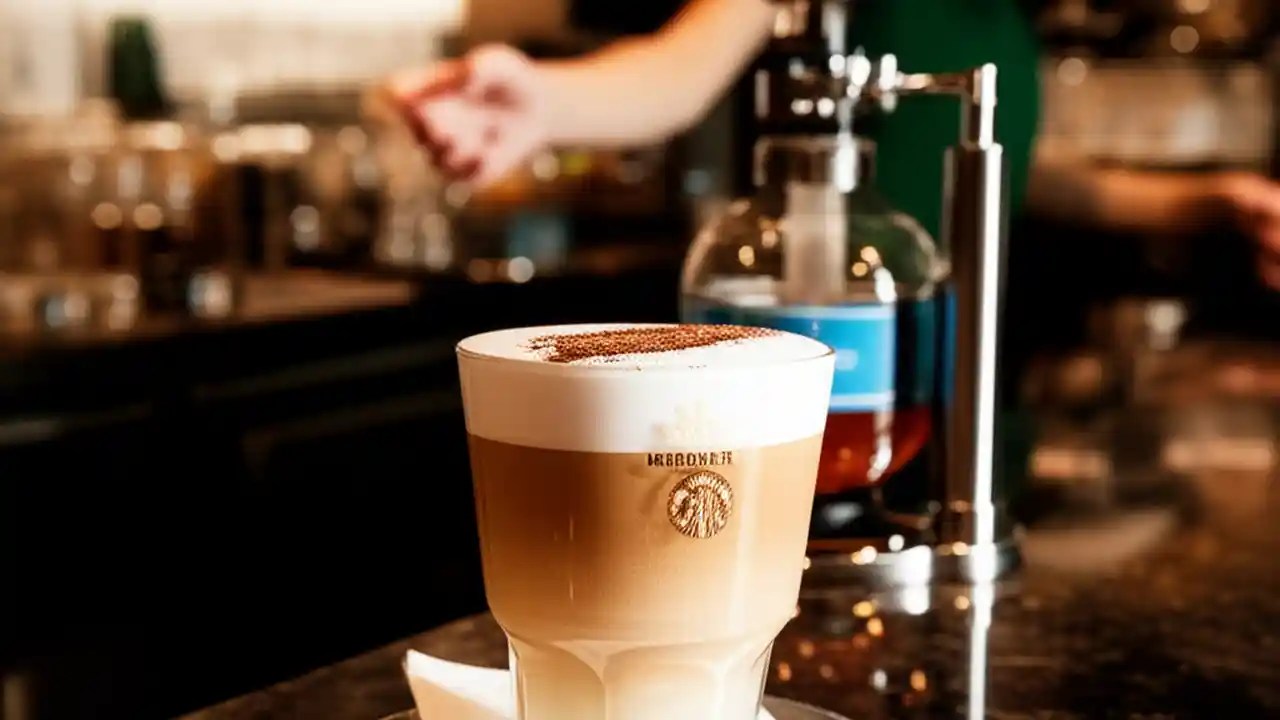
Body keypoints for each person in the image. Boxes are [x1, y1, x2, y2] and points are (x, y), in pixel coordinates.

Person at [379, 0, 1280, 288]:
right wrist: (543, 102)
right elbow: (674, 69)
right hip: (837, 366)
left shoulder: (1004, 9)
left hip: (969, 397)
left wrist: (1208, 201)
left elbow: (999, 168)